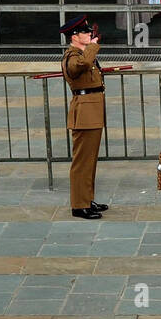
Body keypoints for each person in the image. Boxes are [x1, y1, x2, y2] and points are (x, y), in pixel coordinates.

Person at [62, 16, 108, 219]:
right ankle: (79, 205)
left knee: (90, 161)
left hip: (93, 111)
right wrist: (92, 46)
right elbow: (80, 66)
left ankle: (87, 199)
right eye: (85, 32)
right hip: (84, 114)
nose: (90, 34)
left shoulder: (81, 53)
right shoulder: (72, 56)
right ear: (74, 36)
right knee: (82, 162)